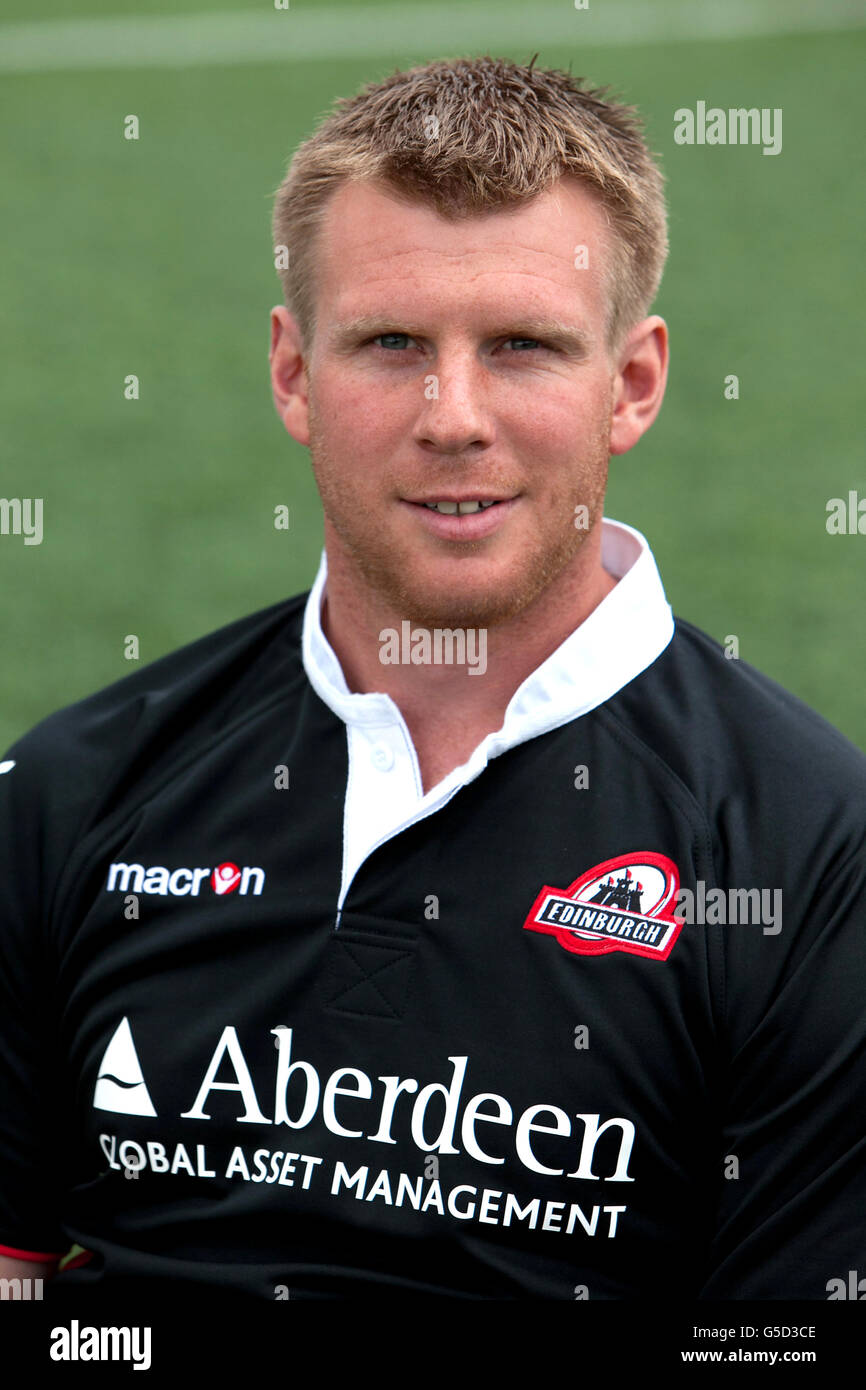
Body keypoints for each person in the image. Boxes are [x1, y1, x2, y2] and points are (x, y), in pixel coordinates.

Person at [1, 55, 864, 1304]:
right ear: (293, 374)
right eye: (390, 342)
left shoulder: (812, 855)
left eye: (521, 346)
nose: (451, 416)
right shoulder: (70, 791)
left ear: (629, 386)